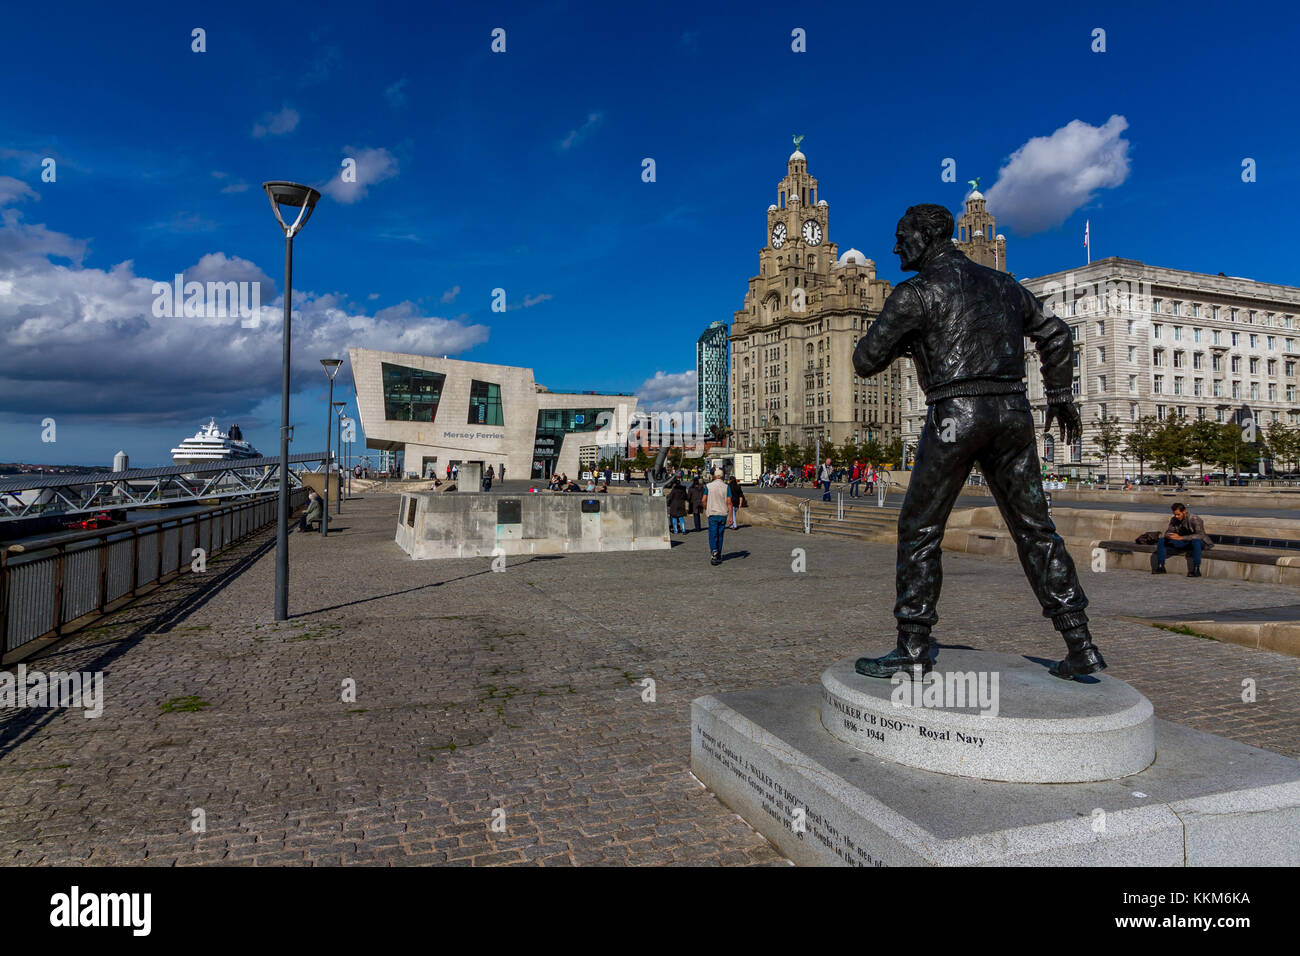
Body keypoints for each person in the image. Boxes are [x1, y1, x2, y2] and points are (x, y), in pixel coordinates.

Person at [851, 202, 1102, 680]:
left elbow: (865, 360)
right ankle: (1080, 641)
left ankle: (913, 645)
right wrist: (1060, 395)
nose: (896, 245)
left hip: (955, 416)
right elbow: (1056, 334)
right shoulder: (1004, 286)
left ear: (926, 237)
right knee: (1035, 528)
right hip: (1012, 415)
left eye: (902, 235)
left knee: (920, 528)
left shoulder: (914, 294)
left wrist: (908, 340)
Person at [1154, 502, 1212, 577]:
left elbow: (1200, 535)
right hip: (1183, 542)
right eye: (1175, 514)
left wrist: (1181, 537)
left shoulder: (1195, 519)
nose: (1176, 516)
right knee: (1162, 540)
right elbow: (1169, 531)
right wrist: (1169, 536)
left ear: (1184, 512)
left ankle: (1196, 569)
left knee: (1195, 542)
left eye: (1178, 514)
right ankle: (1161, 566)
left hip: (1199, 542)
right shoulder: (1174, 519)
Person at [702, 468, 732, 565]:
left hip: (712, 513)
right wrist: (731, 517)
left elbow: (703, 500)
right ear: (722, 476)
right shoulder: (726, 487)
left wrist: (706, 508)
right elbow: (729, 502)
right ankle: (718, 553)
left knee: (712, 534)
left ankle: (714, 550)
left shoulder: (708, 486)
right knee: (720, 535)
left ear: (714, 475)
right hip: (723, 514)